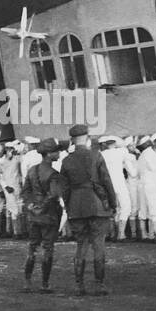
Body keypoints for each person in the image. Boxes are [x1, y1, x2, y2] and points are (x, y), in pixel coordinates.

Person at [60, 124, 117, 297]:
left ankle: (79, 285)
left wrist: (70, 207)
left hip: (77, 207)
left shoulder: (67, 160)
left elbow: (64, 188)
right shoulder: (96, 156)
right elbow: (106, 181)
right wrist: (112, 203)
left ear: (72, 140)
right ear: (87, 137)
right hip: (97, 204)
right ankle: (99, 284)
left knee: (81, 245)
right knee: (99, 245)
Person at [21, 137, 64, 293]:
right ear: (49, 154)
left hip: (33, 215)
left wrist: (31, 206)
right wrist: (42, 207)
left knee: (32, 248)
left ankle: (27, 281)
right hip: (49, 215)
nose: (58, 153)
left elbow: (25, 192)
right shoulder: (54, 174)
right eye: (56, 151)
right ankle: (45, 283)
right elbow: (54, 195)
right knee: (48, 248)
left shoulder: (32, 170)